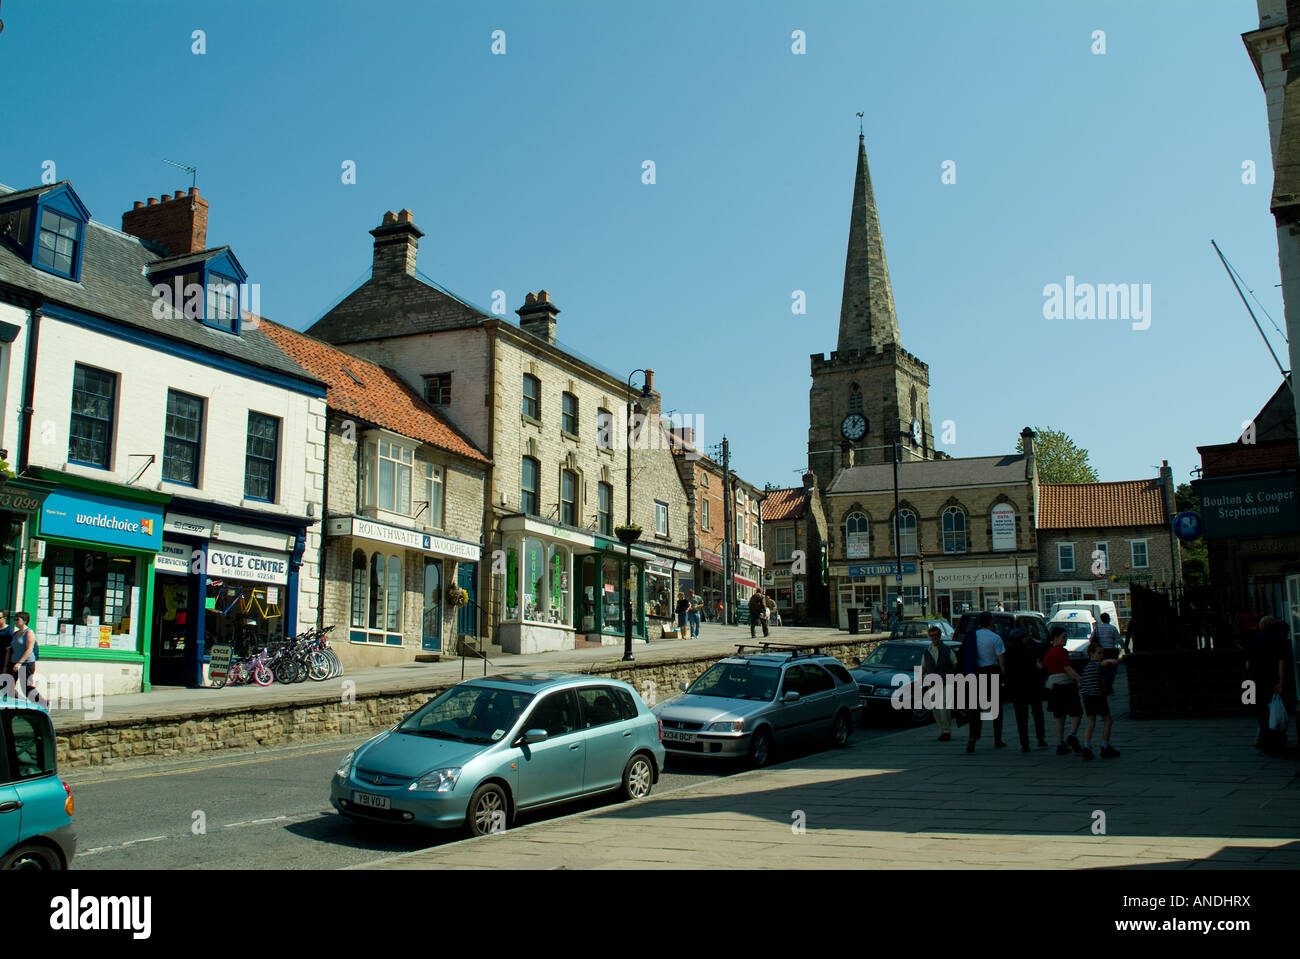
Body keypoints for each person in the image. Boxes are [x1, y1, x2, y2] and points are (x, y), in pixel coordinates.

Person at [1246, 616, 1290, 753]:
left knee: (1262, 711)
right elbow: (1282, 662)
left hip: (1255, 679)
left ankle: (1265, 739)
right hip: (1271, 679)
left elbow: (1248, 662)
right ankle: (1276, 741)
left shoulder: (1255, 638)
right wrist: (1281, 682)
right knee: (1275, 710)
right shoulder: (1278, 639)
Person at [965, 611, 1006, 752]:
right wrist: (1003, 675)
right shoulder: (995, 638)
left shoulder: (973, 636)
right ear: (991, 622)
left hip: (977, 672)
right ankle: (998, 739)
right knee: (996, 708)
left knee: (976, 709)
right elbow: (1001, 661)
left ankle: (973, 737)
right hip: (992, 671)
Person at [1003, 627, 1048, 751]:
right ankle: (1040, 738)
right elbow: (1041, 664)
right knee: (1037, 712)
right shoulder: (1032, 648)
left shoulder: (1011, 651)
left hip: (1018, 687)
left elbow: (1008, 671)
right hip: (1034, 684)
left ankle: (1024, 742)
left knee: (1021, 716)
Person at [1043, 625, 1084, 755]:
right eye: (1063, 637)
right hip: (1066, 685)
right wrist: (1079, 679)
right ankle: (1072, 735)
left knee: (1059, 717)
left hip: (1053, 686)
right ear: (1056, 637)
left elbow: (1043, 666)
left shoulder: (1048, 652)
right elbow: (1067, 668)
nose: (1065, 639)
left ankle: (1060, 744)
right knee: (1076, 712)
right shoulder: (1062, 651)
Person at [1078, 642, 1121, 759]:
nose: (1101, 655)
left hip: (1087, 697)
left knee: (1091, 722)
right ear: (1091, 654)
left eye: (1102, 653)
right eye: (1099, 653)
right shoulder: (1095, 664)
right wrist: (1112, 661)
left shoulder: (1086, 667)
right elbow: (1103, 663)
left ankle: (1086, 747)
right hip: (1097, 697)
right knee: (1108, 720)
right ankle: (1105, 746)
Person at [923, 626, 957, 741]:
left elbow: (954, 664)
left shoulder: (947, 650)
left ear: (940, 636)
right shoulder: (927, 651)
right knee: (936, 708)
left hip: (946, 681)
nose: (934, 638)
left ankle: (946, 731)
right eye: (932, 636)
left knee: (943, 706)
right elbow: (923, 667)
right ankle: (942, 729)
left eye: (936, 635)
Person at [1089, 612, 1125, 694]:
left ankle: (1104, 685)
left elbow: (1091, 639)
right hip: (1112, 651)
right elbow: (1119, 639)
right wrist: (1124, 647)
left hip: (1101, 651)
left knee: (1103, 669)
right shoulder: (1112, 628)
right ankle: (1109, 685)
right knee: (1112, 669)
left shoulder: (1097, 628)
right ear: (1108, 619)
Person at [8, 611, 38, 700]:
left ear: (24, 621)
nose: (15, 621)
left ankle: (44, 704)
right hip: (14, 662)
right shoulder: (15, 633)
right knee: (7, 685)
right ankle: (19, 702)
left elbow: (29, 649)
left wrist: (19, 663)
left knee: (26, 687)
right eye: (14, 619)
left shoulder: (29, 632)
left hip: (26, 663)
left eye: (17, 619)